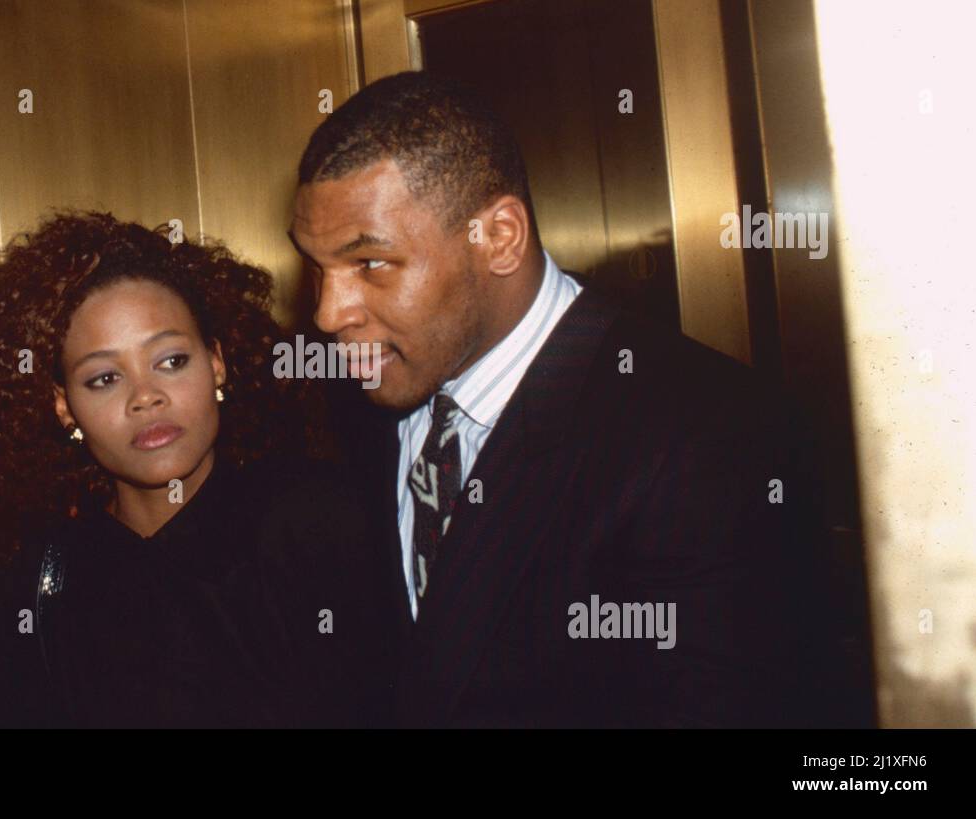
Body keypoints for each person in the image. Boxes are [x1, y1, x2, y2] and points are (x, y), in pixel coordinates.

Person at [290, 71, 851, 727]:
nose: (328, 313)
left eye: (370, 264)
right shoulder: (364, 405)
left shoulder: (709, 437)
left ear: (499, 237)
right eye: (317, 267)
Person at [0, 211, 391, 728]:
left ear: (217, 363)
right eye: (104, 378)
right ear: (64, 406)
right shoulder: (26, 586)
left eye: (171, 361)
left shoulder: (320, 523)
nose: (145, 397)